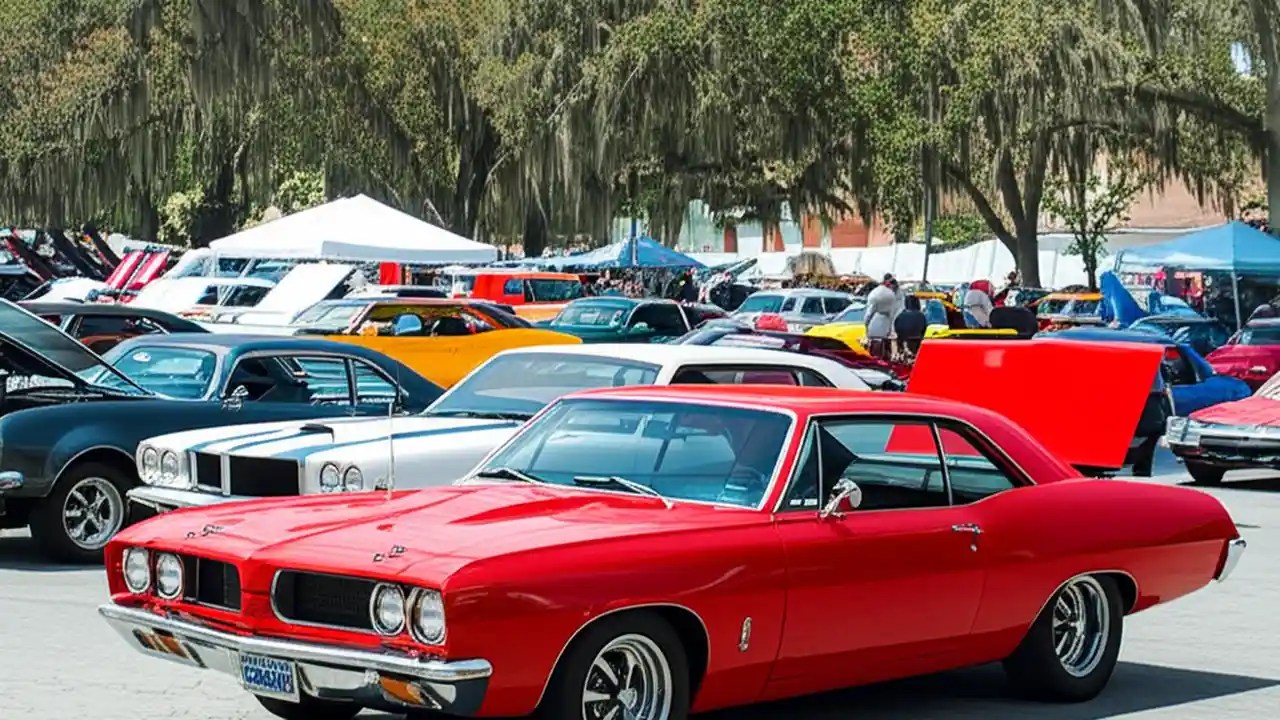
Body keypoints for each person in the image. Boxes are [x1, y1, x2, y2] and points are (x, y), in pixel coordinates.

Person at [864, 274, 899, 359]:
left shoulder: (874, 293)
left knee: (874, 354)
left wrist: (866, 325)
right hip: (887, 328)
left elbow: (868, 314)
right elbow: (893, 314)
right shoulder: (892, 295)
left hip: (874, 327)